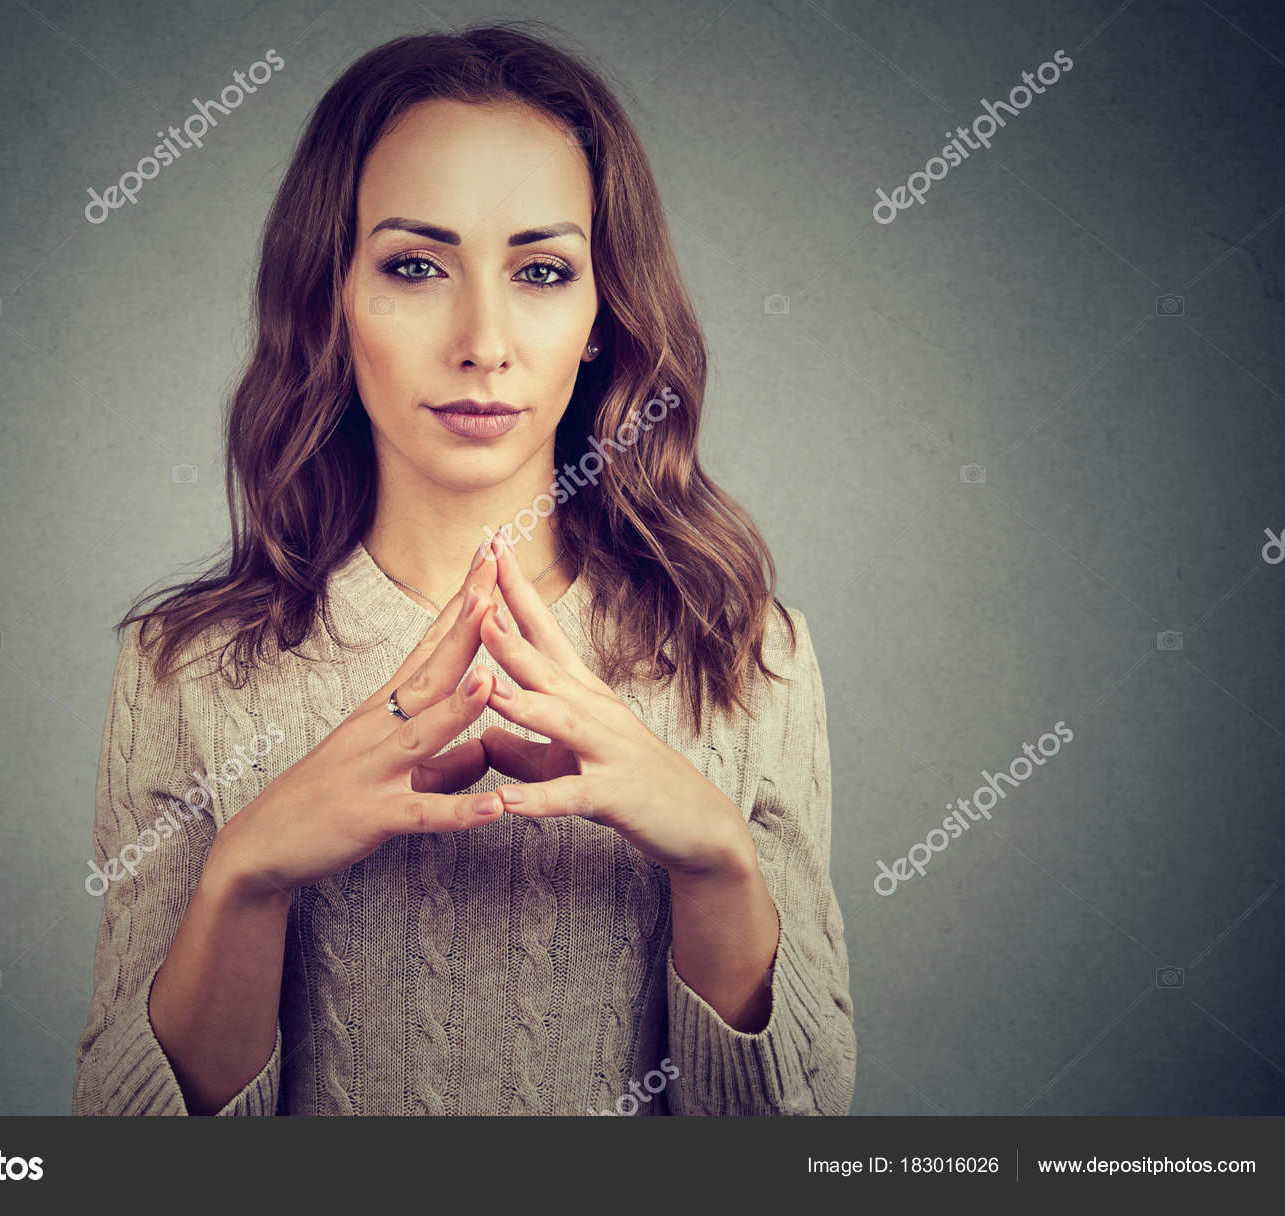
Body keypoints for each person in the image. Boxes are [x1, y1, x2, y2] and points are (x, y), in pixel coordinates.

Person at [73, 21, 854, 1116]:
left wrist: (716, 858)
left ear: (597, 314)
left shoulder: (745, 654)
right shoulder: (188, 669)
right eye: (413, 265)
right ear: (333, 300)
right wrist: (245, 875)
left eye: (540, 270)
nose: (482, 338)